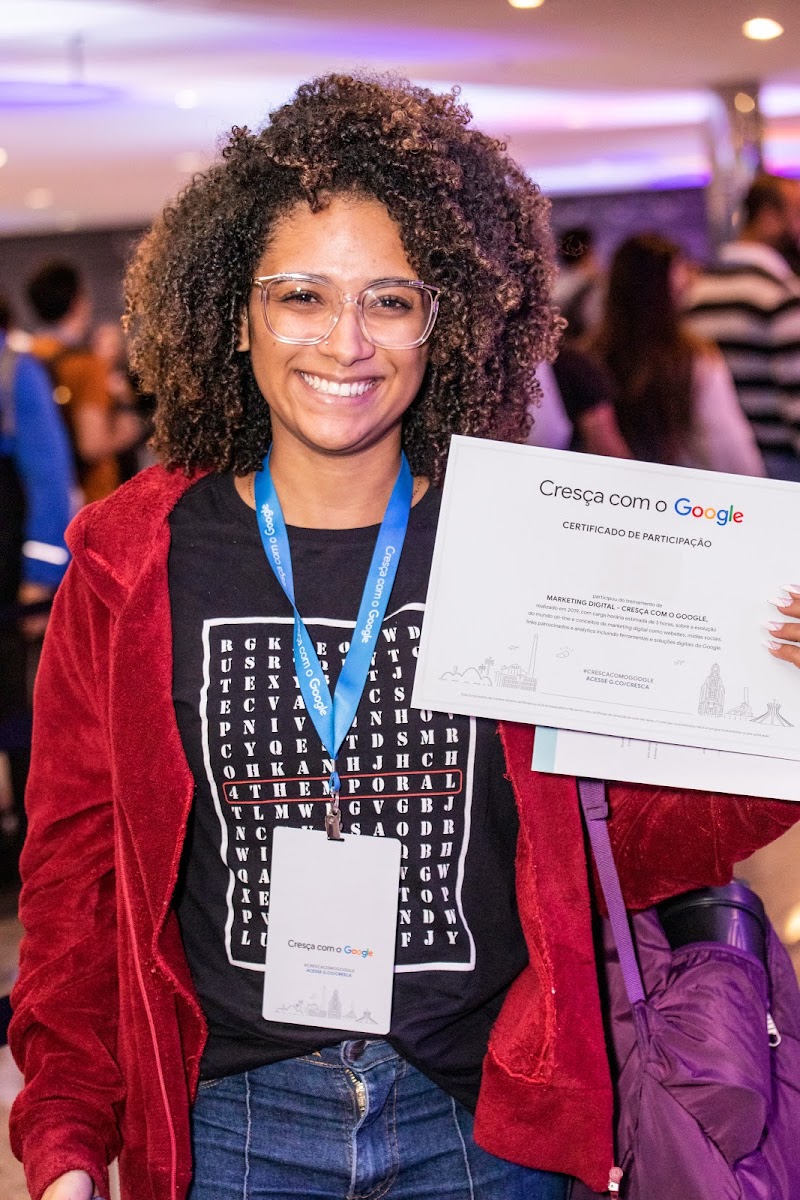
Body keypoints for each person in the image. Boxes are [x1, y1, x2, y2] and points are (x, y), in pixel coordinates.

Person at [8, 75, 800, 1200]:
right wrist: (67, 1136)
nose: (345, 341)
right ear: (234, 314)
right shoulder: (134, 562)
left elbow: (621, 845)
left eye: (390, 299)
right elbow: (77, 883)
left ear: (450, 322)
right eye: (300, 296)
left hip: (484, 1118)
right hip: (235, 1124)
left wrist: (778, 714)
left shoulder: (522, 537)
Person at [589, 232, 765, 475]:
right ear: (667, 287)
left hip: (608, 494)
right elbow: (728, 449)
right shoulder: (693, 358)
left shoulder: (590, 355)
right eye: (682, 271)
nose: (690, 280)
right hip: (682, 496)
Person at [0, 294, 73, 867]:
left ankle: (30, 851)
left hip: (10, 577)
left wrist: (40, 573)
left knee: (19, 715)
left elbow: (50, 477)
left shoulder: (15, 369)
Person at [684, 174, 800, 480]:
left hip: (717, 474)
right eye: (798, 213)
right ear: (768, 217)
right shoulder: (781, 296)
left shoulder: (695, 294)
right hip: (783, 477)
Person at [27, 261, 143, 503]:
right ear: (78, 302)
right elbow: (92, 444)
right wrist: (133, 421)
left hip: (47, 491)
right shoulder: (87, 365)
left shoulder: (29, 357)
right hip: (93, 497)